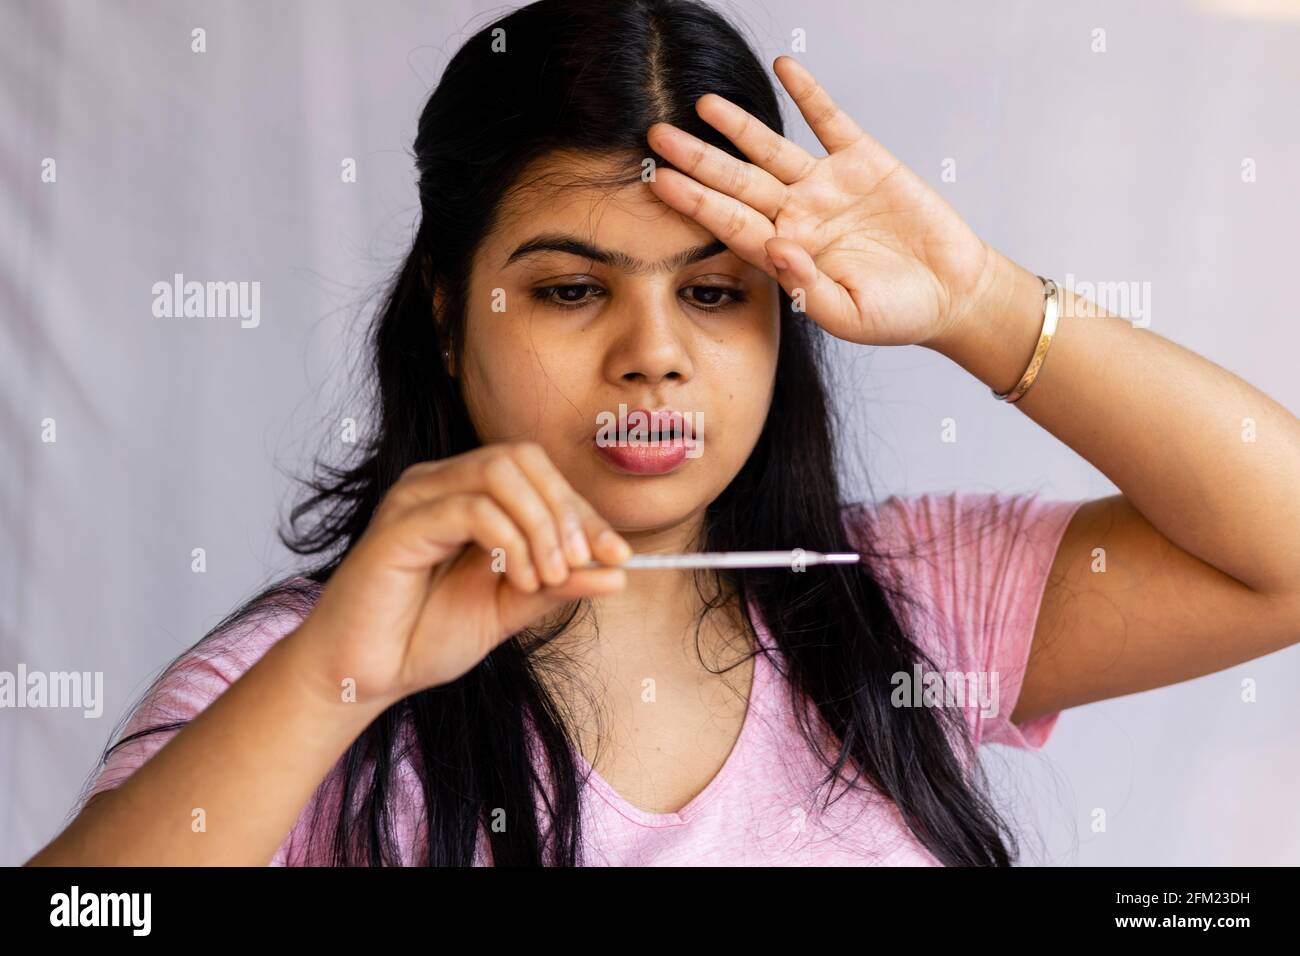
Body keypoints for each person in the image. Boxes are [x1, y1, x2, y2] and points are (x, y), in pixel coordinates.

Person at [27, 0, 1300, 866]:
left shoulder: (905, 607)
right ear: (446, 313)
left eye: (712, 290)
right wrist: (327, 688)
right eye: (572, 289)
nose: (654, 351)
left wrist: (980, 304)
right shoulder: (306, 676)